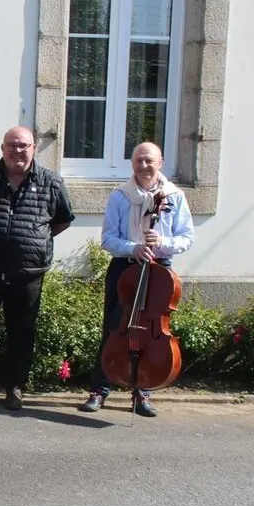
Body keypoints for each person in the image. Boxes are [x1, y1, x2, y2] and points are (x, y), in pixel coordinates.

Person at [80, 142, 194, 417]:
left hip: (159, 271)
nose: (143, 166)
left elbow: (187, 237)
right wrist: (133, 247)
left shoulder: (174, 196)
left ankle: (142, 392)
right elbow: (108, 239)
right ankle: (100, 389)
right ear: (132, 164)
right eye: (138, 161)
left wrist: (162, 242)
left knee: (149, 330)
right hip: (125, 269)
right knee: (114, 328)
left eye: (149, 161)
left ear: (160, 163)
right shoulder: (121, 196)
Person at [0, 126, 75, 410]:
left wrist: (35, 240)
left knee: (22, 332)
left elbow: (62, 220)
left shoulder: (51, 182)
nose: (17, 151)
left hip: (28, 272)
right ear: (2, 148)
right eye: (12, 145)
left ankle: (14, 387)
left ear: (33, 148)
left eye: (23, 145)